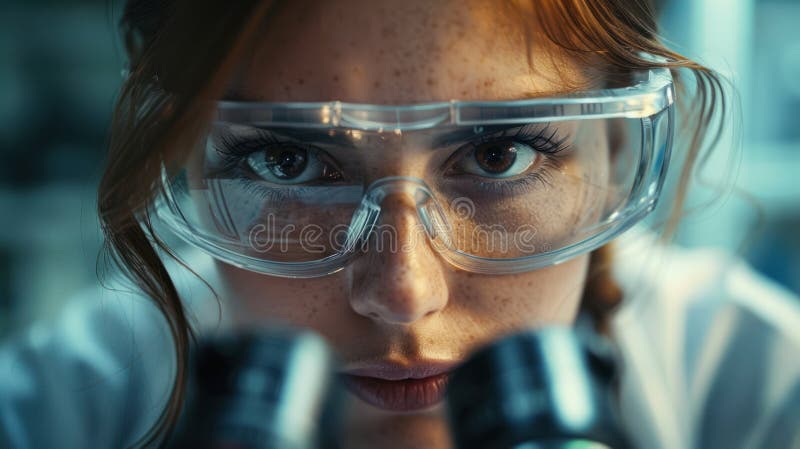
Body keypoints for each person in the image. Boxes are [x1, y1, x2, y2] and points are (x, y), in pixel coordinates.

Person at [1, 0, 799, 448]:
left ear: (616, 151)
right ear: (189, 166)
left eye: (498, 155)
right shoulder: (66, 406)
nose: (403, 291)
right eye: (287, 163)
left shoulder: (761, 394)